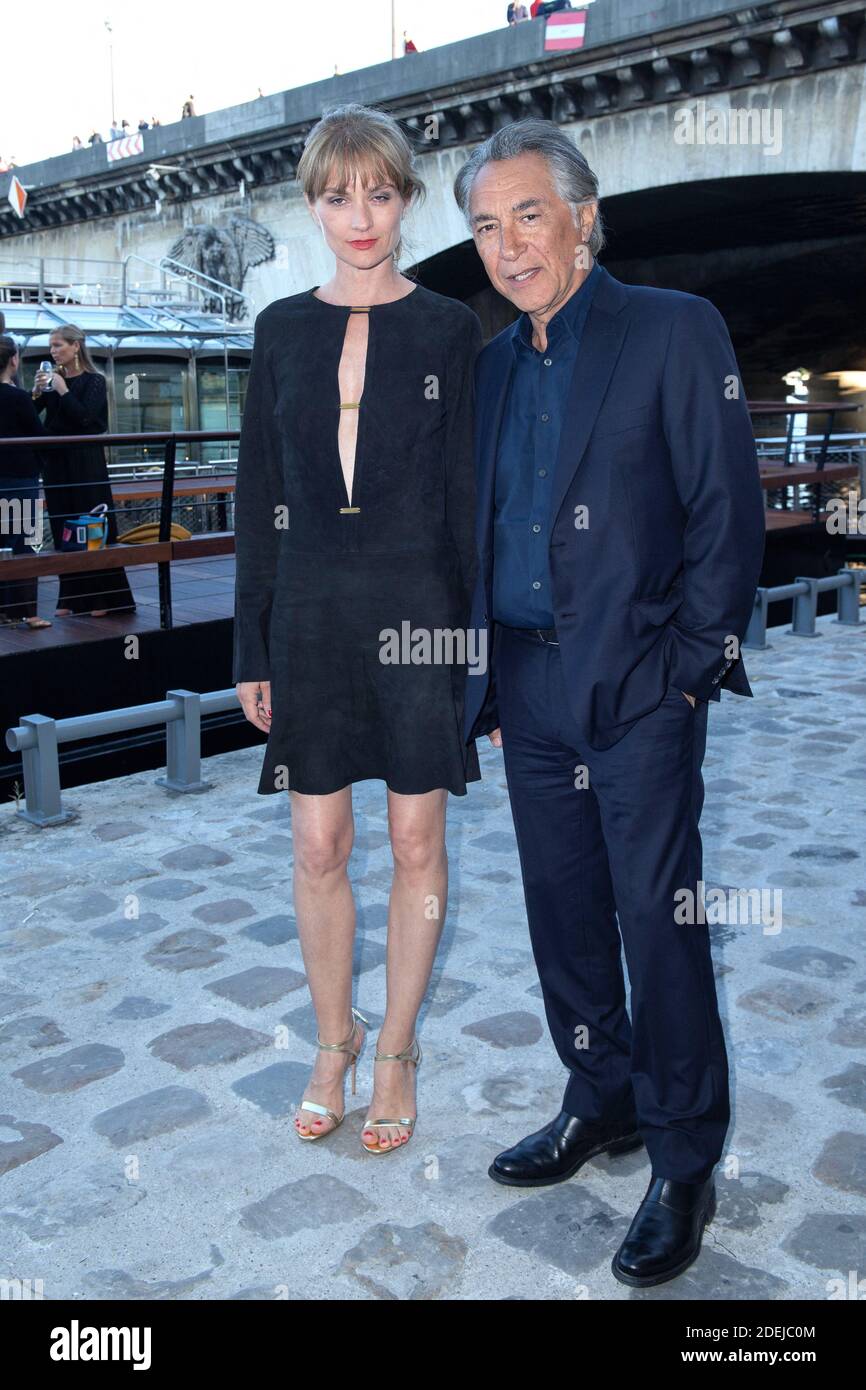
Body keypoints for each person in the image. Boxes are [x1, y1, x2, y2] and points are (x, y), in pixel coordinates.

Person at [454, 120, 765, 1287]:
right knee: (563, 913)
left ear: (583, 217)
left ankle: (683, 1152)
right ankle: (602, 1097)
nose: (505, 244)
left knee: (658, 920)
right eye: (484, 225)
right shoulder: (487, 370)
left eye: (526, 214)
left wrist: (685, 671)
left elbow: (722, 518)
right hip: (527, 686)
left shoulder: (675, 331)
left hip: (640, 686)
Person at [233, 103, 482, 1155]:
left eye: (378, 193)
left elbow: (464, 501)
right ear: (313, 206)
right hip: (310, 615)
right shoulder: (281, 329)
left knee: (415, 836)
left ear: (406, 198)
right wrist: (251, 644)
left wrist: (482, 660)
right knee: (318, 840)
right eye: (338, 196)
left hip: (419, 612)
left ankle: (397, 1050)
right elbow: (257, 497)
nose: (360, 215)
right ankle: (334, 1041)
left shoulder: (448, 330)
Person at [31, 325, 136, 618]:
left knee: (91, 525)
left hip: (86, 463)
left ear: (76, 346)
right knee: (64, 525)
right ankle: (70, 596)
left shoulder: (94, 381)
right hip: (57, 464)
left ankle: (101, 598)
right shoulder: (52, 382)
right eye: (51, 346)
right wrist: (37, 394)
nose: (53, 351)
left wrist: (63, 392)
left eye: (58, 345)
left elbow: (90, 421)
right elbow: (35, 422)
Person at [0, 337, 51, 630]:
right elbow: (38, 434)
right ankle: (28, 612)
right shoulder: (18, 398)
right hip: (19, 479)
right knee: (23, 542)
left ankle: (4, 609)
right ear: (13, 361)